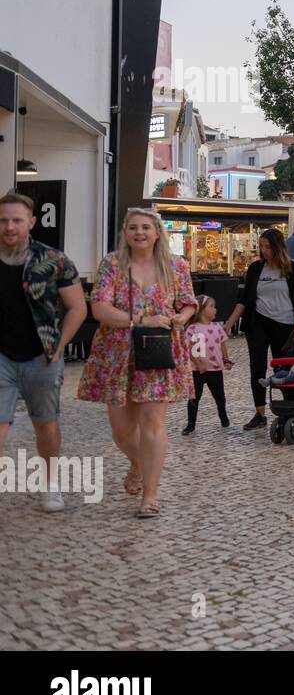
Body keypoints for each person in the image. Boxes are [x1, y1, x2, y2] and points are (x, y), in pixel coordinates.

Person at [79, 208, 197, 518]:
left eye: (146, 227)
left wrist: (180, 319)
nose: (139, 232)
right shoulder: (112, 264)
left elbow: (187, 302)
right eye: (133, 227)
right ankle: (137, 462)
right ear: (125, 232)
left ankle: (151, 494)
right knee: (121, 431)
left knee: (153, 423)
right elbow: (100, 308)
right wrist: (141, 319)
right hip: (116, 353)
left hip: (158, 351)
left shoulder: (176, 265)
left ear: (158, 232)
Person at [0, 192, 86, 513]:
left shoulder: (54, 261)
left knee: (45, 425)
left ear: (31, 222)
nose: (9, 226)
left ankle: (50, 484)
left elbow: (77, 308)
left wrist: (60, 345)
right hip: (1, 359)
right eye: (4, 220)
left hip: (42, 356)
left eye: (17, 220)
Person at [224, 228, 294, 431]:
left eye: (267, 247)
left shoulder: (292, 269)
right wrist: (227, 324)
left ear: (277, 248)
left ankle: (288, 410)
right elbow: (243, 301)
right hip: (258, 323)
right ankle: (260, 413)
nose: (264, 250)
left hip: (284, 325)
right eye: (261, 246)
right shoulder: (255, 269)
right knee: (257, 368)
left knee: (283, 369)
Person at [184, 295, 232, 433]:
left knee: (220, 397)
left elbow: (222, 344)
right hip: (197, 370)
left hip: (215, 369)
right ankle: (191, 424)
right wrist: (198, 364)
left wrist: (226, 359)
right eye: (211, 306)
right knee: (194, 398)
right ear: (201, 310)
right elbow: (187, 348)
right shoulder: (192, 328)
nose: (215, 309)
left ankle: (223, 417)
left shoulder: (217, 327)